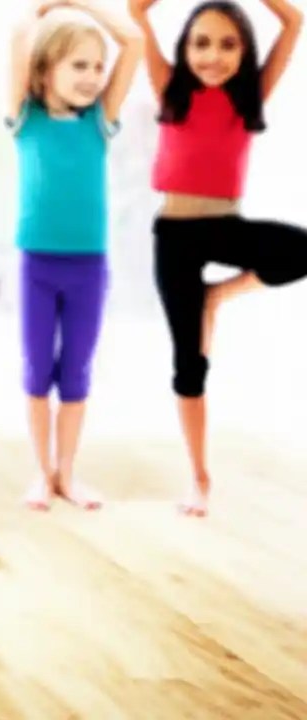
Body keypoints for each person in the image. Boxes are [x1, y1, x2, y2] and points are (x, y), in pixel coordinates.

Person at [130, 0, 305, 516]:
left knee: (301, 251)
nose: (213, 56)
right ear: (184, 50)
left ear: (246, 52)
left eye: (228, 45)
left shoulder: (251, 94)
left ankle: (219, 295)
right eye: (200, 44)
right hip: (176, 237)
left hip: (226, 228)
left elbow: (294, 21)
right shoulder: (170, 90)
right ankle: (199, 477)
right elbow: (136, 12)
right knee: (189, 365)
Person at [8, 0, 141, 511]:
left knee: (77, 373)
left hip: (89, 266)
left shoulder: (99, 122)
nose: (91, 77)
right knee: (38, 368)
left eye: (96, 67)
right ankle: (40, 473)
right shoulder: (25, 118)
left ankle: (67, 473)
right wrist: (48, 8)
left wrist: (84, 7)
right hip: (37, 265)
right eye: (78, 65)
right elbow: (18, 40)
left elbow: (132, 43)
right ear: (46, 70)